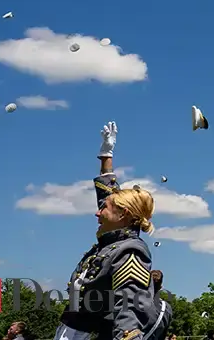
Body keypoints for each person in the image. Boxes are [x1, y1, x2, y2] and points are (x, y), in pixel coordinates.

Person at [57, 121, 164, 340]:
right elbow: (110, 199)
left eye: (103, 209)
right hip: (74, 327)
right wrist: (106, 155)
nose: (98, 213)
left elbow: (130, 305)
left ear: (123, 215)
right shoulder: (114, 239)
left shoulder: (129, 251)